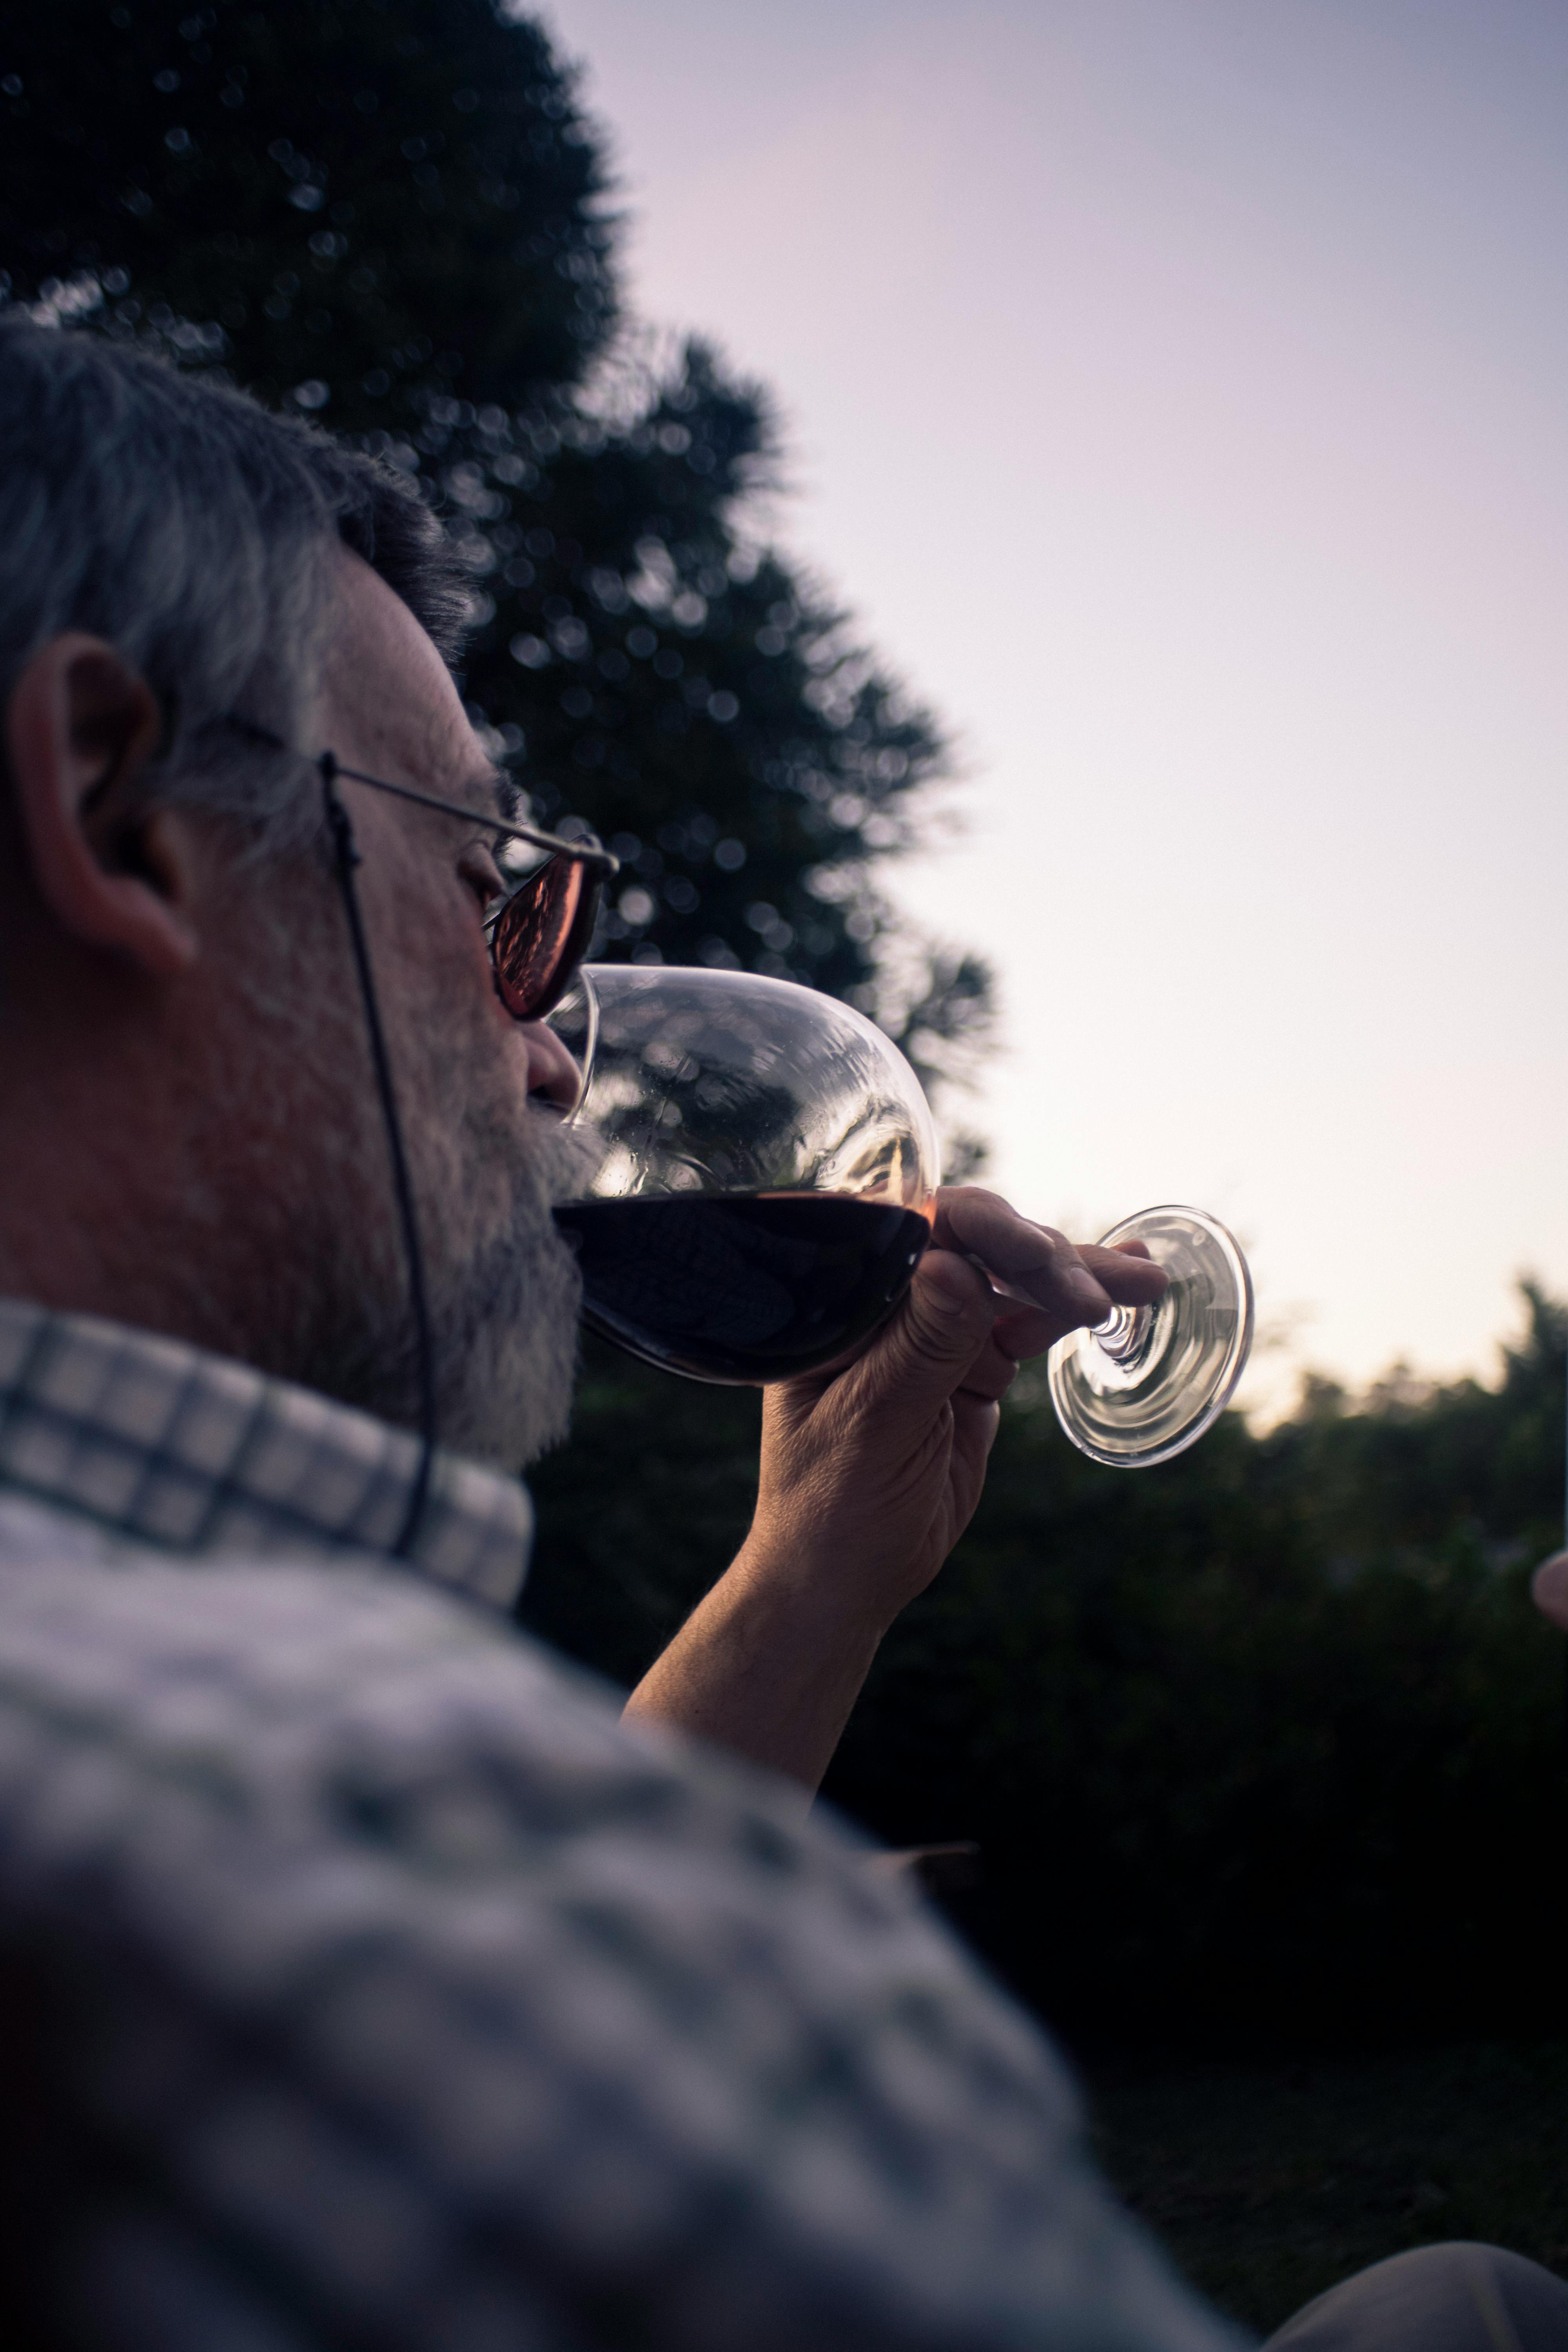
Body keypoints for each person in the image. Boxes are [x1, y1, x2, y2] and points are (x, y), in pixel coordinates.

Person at [0, 321, 1561, 2352]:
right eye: (490, 894)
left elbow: (530, 2091)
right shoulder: (344, 1856)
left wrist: (811, 1566)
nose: (556, 1060)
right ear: (118, 810)